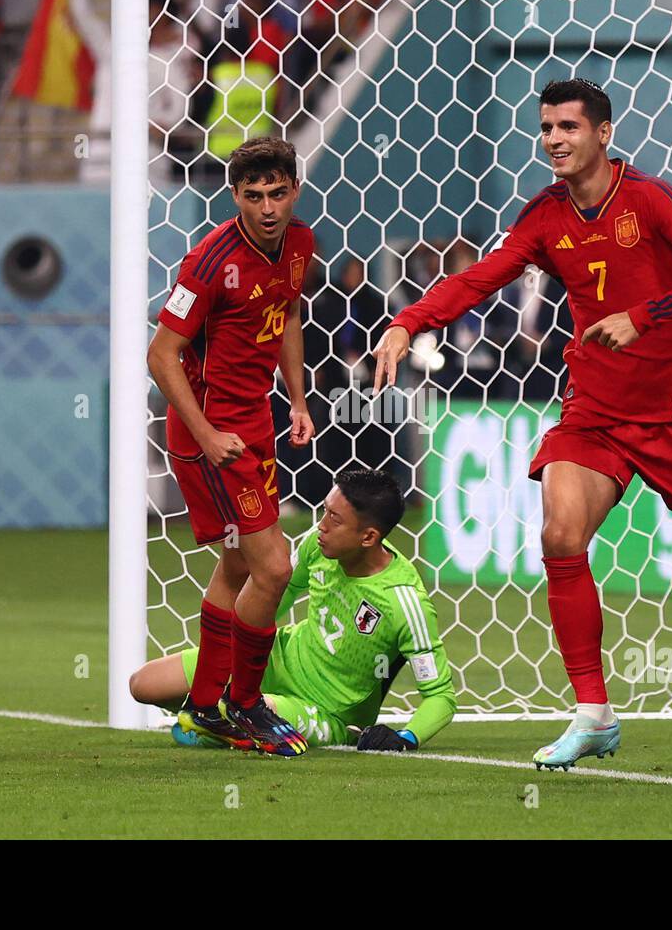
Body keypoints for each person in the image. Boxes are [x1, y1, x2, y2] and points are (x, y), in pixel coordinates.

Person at [372, 78, 672, 769]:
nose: (554, 140)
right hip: (595, 409)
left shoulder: (651, 199)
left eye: (568, 127)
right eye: (545, 128)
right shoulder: (543, 215)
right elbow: (478, 279)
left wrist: (646, 315)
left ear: (603, 131)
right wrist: (409, 321)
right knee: (560, 534)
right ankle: (594, 713)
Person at [146, 137, 316, 757]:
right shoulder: (209, 262)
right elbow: (160, 355)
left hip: (257, 422)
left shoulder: (300, 243)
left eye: (277, 193)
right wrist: (208, 433)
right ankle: (245, 705)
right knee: (274, 567)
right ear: (235, 196)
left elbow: (288, 314)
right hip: (212, 434)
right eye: (253, 196)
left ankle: (204, 704)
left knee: (239, 565)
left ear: (294, 190)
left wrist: (297, 400)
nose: (268, 208)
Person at [130, 469, 457, 751]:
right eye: (325, 511)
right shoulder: (317, 547)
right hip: (277, 660)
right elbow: (273, 600)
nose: (321, 526)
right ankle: (221, 716)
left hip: (325, 711)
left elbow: (441, 695)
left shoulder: (404, 603)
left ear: (368, 537)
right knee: (144, 684)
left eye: (335, 519)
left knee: (243, 710)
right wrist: (238, 656)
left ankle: (222, 720)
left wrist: (406, 737)